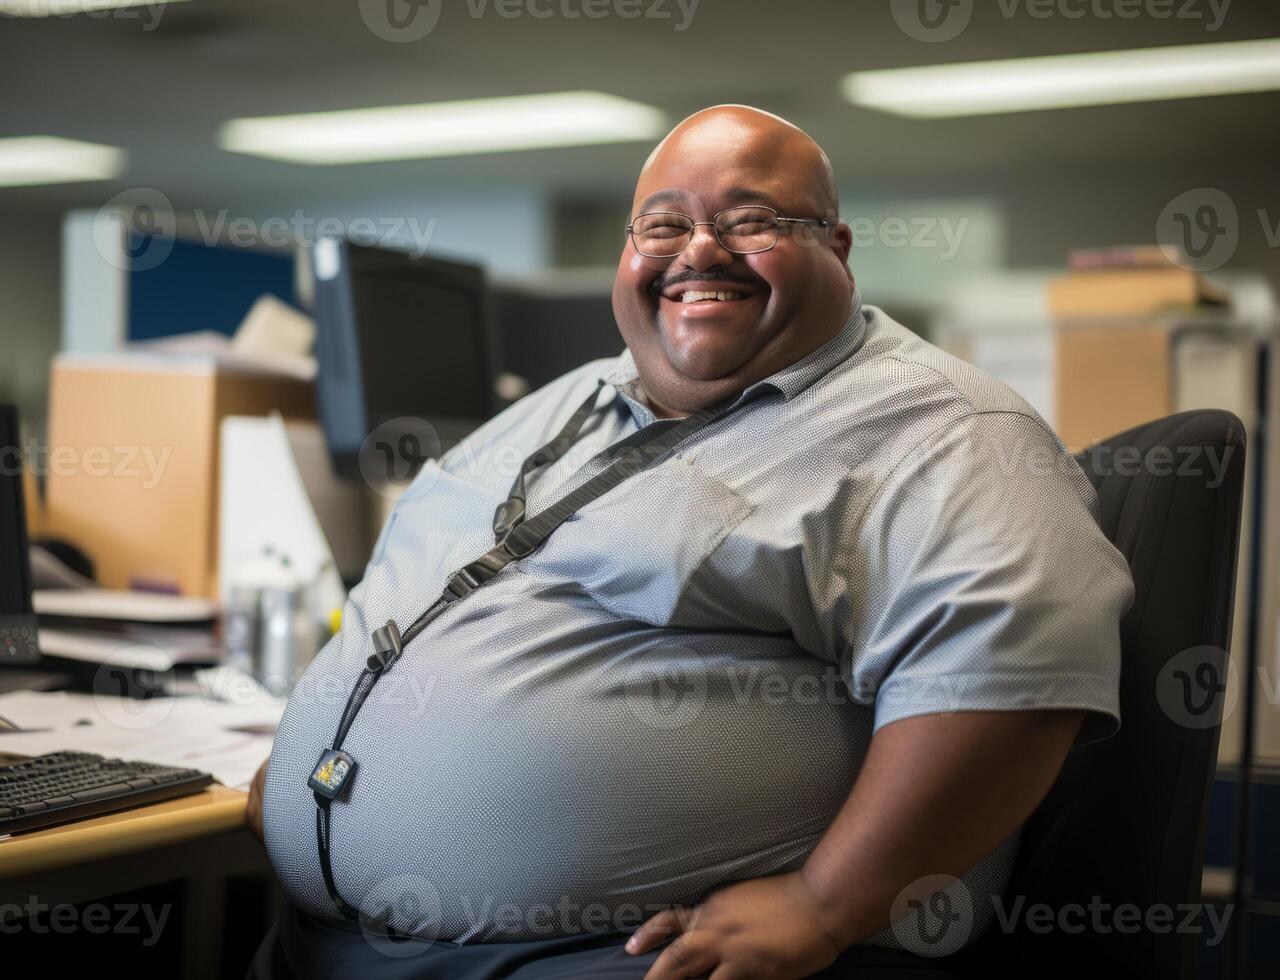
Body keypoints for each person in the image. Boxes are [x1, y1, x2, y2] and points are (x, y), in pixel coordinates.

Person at [246, 105, 1133, 979]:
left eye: (752, 223)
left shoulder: (942, 429)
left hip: (621, 953)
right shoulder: (563, 401)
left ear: (839, 248)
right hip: (327, 937)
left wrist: (825, 903)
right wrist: (322, 758)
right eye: (663, 224)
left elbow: (1012, 684)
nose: (698, 251)